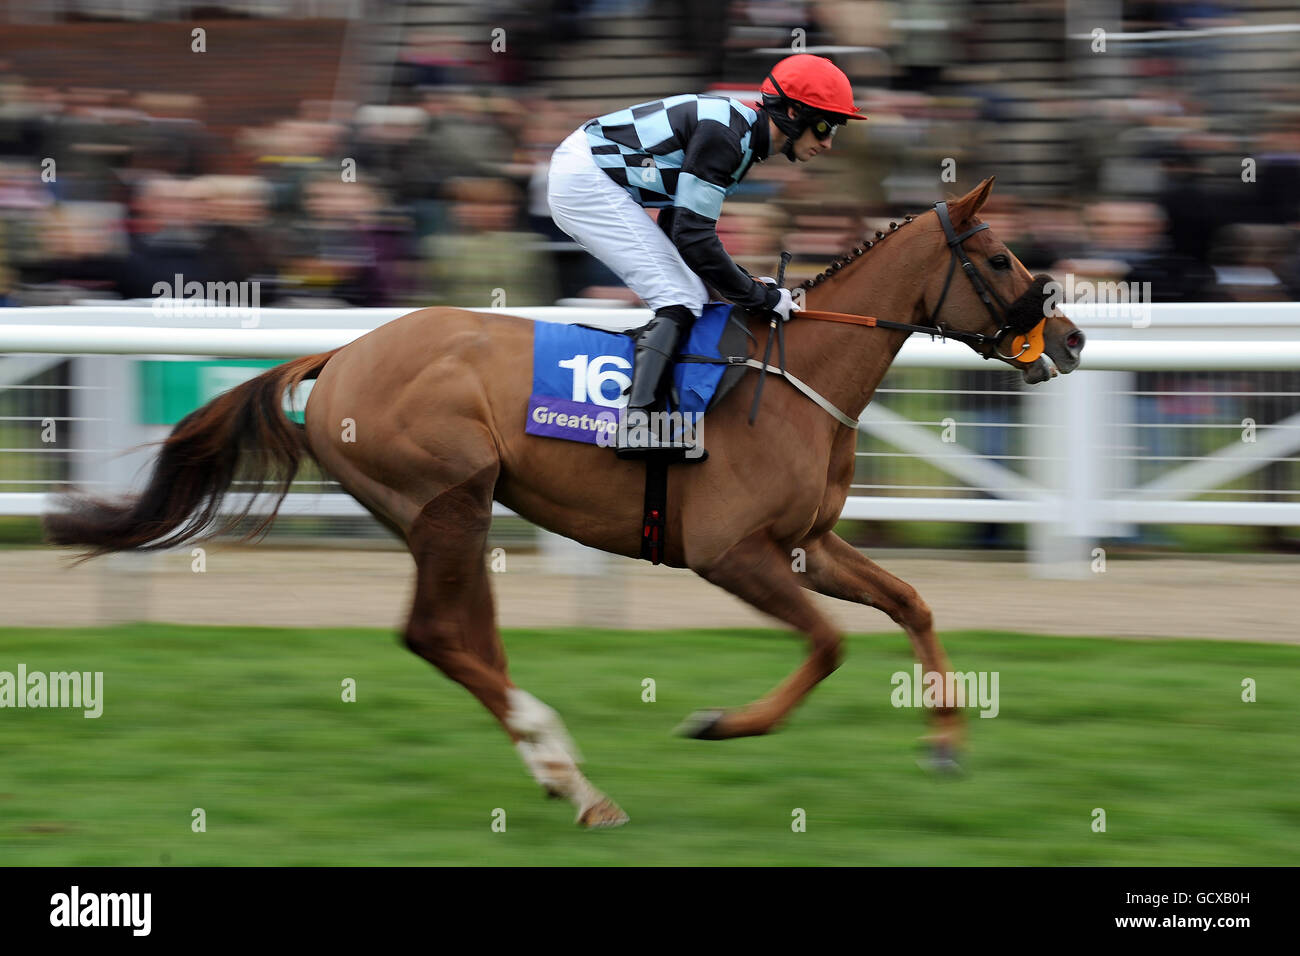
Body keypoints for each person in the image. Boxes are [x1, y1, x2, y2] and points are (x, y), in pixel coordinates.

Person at [546, 54, 866, 456]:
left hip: (587, 172)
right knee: (679, 297)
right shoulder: (728, 137)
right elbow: (692, 236)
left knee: (689, 292)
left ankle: (654, 406)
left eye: (833, 129)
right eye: (823, 125)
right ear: (792, 112)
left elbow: (679, 226)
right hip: (584, 179)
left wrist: (744, 287)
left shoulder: (743, 136)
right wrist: (758, 296)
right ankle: (638, 423)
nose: (828, 141)